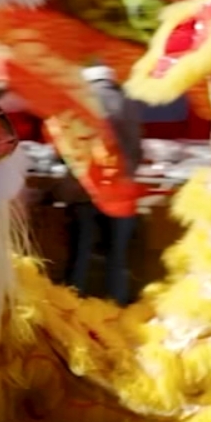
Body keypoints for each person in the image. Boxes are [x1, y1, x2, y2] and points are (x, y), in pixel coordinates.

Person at [68, 64, 144, 304]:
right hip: (121, 191)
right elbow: (137, 148)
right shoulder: (127, 103)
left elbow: (70, 145)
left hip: (86, 189)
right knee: (117, 256)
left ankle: (73, 304)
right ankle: (117, 307)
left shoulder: (79, 102)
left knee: (80, 252)